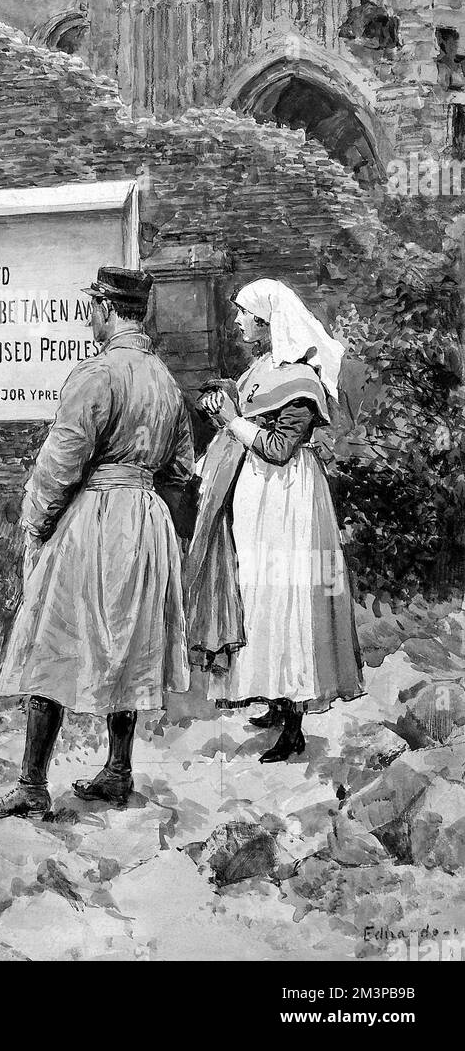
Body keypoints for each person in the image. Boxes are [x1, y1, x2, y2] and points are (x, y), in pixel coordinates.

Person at [0, 265, 194, 817]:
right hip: (145, 521)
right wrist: (142, 490)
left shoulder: (97, 374)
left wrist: (36, 520)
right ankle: (118, 768)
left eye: (91, 306)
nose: (87, 316)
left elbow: (61, 459)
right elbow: (181, 468)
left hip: (95, 517)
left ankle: (31, 784)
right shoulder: (166, 381)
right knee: (130, 639)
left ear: (104, 309)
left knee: (56, 634)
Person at [184, 278, 364, 762]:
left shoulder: (300, 379)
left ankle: (294, 718)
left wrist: (231, 421)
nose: (238, 322)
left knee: (286, 599)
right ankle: (272, 692)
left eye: (245, 315)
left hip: (288, 501)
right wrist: (218, 401)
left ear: (267, 323)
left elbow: (280, 448)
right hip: (256, 500)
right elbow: (245, 408)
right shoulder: (262, 368)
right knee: (257, 595)